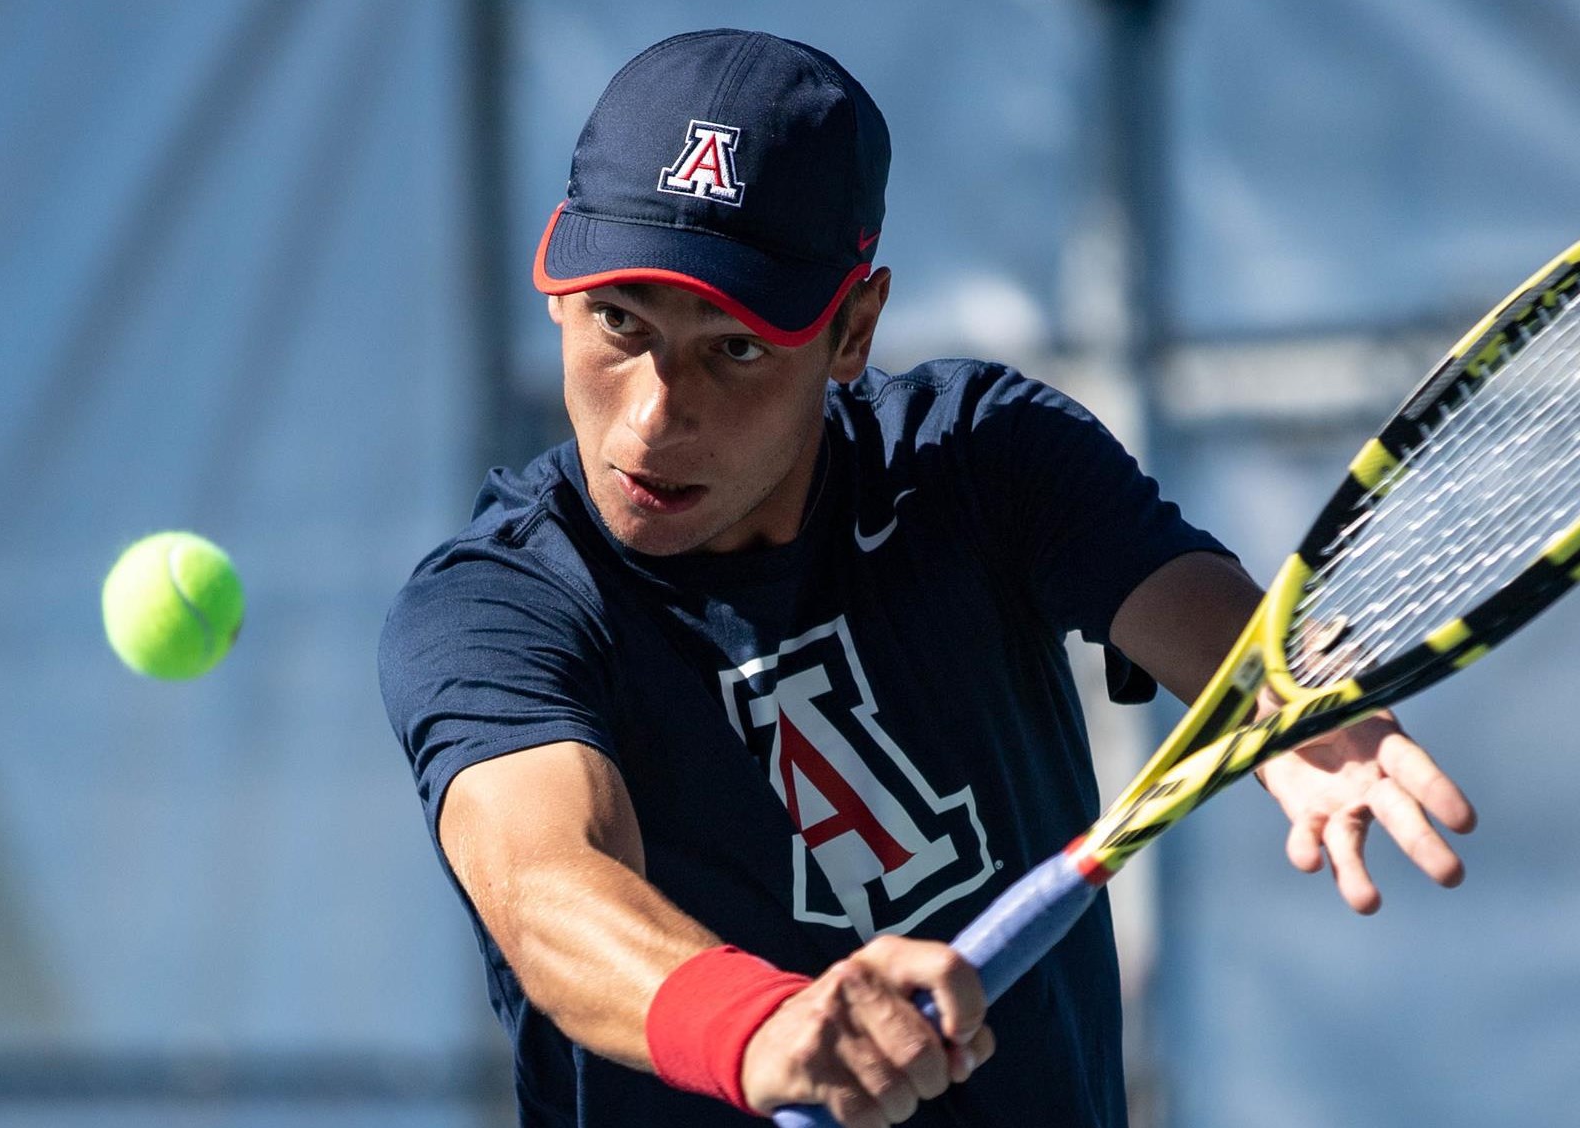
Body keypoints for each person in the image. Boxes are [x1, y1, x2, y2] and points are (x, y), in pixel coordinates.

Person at [380, 28, 1476, 1128]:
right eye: (621, 322)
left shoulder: (979, 458)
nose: (656, 417)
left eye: (735, 348)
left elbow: (1216, 630)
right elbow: (546, 888)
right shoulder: (495, 605)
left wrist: (1289, 701)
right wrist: (762, 1028)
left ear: (853, 328)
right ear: (558, 289)